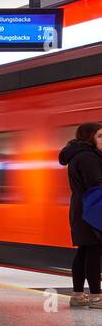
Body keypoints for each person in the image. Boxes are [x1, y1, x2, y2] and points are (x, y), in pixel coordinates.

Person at [59, 122, 102, 308]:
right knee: (94, 250)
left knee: (84, 250)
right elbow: (97, 184)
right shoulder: (88, 157)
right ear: (88, 137)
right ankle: (96, 296)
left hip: (82, 207)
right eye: (100, 136)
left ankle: (78, 294)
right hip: (92, 207)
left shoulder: (79, 155)